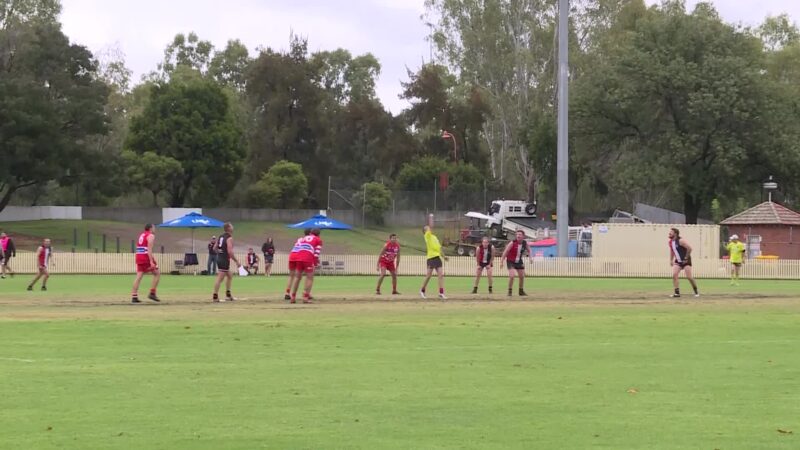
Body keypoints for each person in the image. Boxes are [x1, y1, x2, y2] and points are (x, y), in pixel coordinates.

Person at [288, 228, 323, 304]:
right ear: (319, 234)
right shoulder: (318, 240)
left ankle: (293, 297)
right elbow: (316, 253)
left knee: (297, 277)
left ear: (311, 233)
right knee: (310, 278)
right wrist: (315, 262)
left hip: (299, 257)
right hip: (307, 258)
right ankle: (305, 297)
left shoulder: (304, 238)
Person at [131, 224, 161, 303]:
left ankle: (134, 296)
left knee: (139, 276)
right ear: (150, 228)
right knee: (157, 273)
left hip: (139, 256)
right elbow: (149, 249)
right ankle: (152, 293)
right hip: (145, 257)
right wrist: (151, 261)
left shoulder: (142, 234)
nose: (155, 229)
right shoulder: (151, 235)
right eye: (154, 227)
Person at [212, 222, 242, 302]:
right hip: (224, 260)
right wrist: (236, 261)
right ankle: (215, 296)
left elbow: (214, 248)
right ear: (229, 228)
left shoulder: (220, 236)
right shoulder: (229, 238)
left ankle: (228, 295)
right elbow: (230, 251)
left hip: (220, 258)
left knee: (230, 275)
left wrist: (220, 252)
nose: (233, 227)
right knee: (220, 278)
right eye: (231, 226)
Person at [420, 214, 447, 299]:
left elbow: (439, 248)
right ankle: (422, 290)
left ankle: (441, 293)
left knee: (440, 275)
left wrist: (444, 256)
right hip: (431, 258)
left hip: (437, 257)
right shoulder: (427, 236)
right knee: (428, 276)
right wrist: (431, 218)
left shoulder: (434, 237)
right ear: (425, 231)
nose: (429, 228)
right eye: (427, 228)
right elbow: (431, 227)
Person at [668, 228, 699, 298]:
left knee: (689, 277)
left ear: (675, 234)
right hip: (678, 261)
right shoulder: (670, 242)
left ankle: (696, 291)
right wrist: (671, 260)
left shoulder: (680, 241)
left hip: (686, 260)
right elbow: (672, 251)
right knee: (674, 274)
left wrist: (686, 258)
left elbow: (690, 248)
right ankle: (677, 293)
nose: (669, 233)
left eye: (671, 232)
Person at [285, 229, 311, 300]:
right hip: (299, 256)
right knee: (305, 276)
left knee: (291, 276)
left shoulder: (300, 239)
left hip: (292, 254)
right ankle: (306, 293)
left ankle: (287, 292)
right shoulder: (309, 240)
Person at [501, 230, 528, 297]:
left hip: (519, 261)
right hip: (511, 261)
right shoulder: (512, 243)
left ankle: (521, 291)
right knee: (512, 276)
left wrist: (530, 257)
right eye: (517, 234)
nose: (518, 236)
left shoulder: (525, 243)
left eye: (520, 234)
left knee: (522, 276)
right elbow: (506, 251)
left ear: (523, 236)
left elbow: (529, 250)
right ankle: (510, 291)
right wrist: (502, 261)